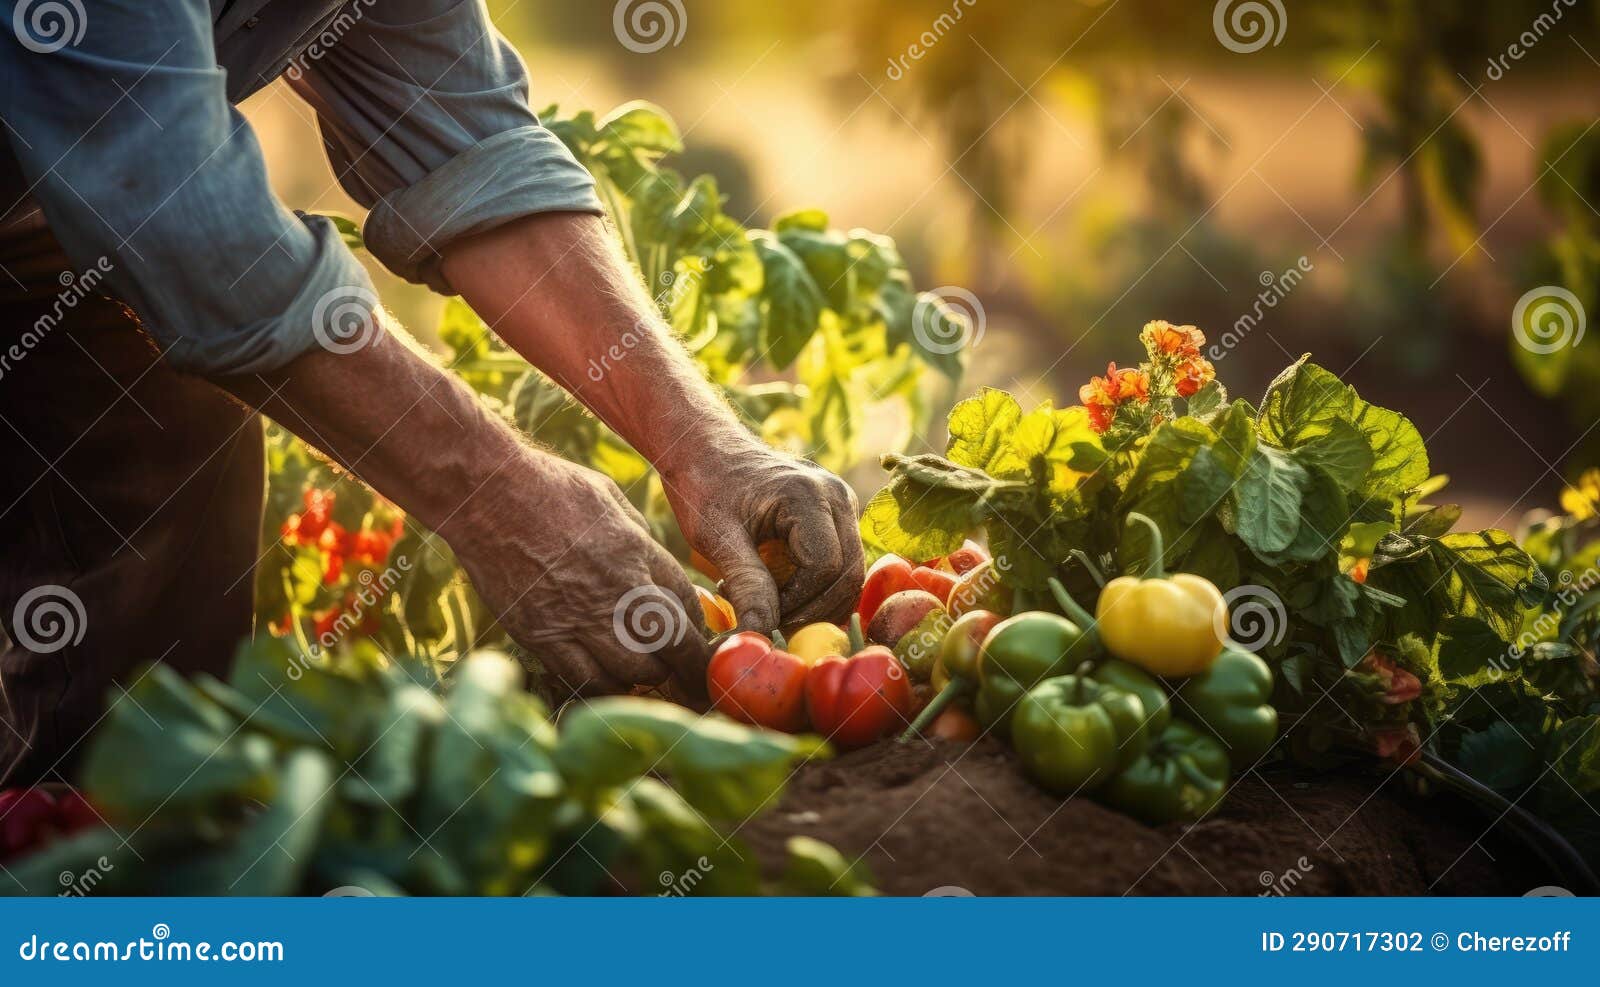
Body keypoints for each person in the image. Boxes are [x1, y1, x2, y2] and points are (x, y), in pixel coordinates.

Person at [0, 0, 863, 787]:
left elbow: (467, 138)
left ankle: (103, 873)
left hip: (37, 206)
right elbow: (185, 221)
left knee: (168, 469)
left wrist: (706, 444)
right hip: (74, 170)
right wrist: (503, 501)